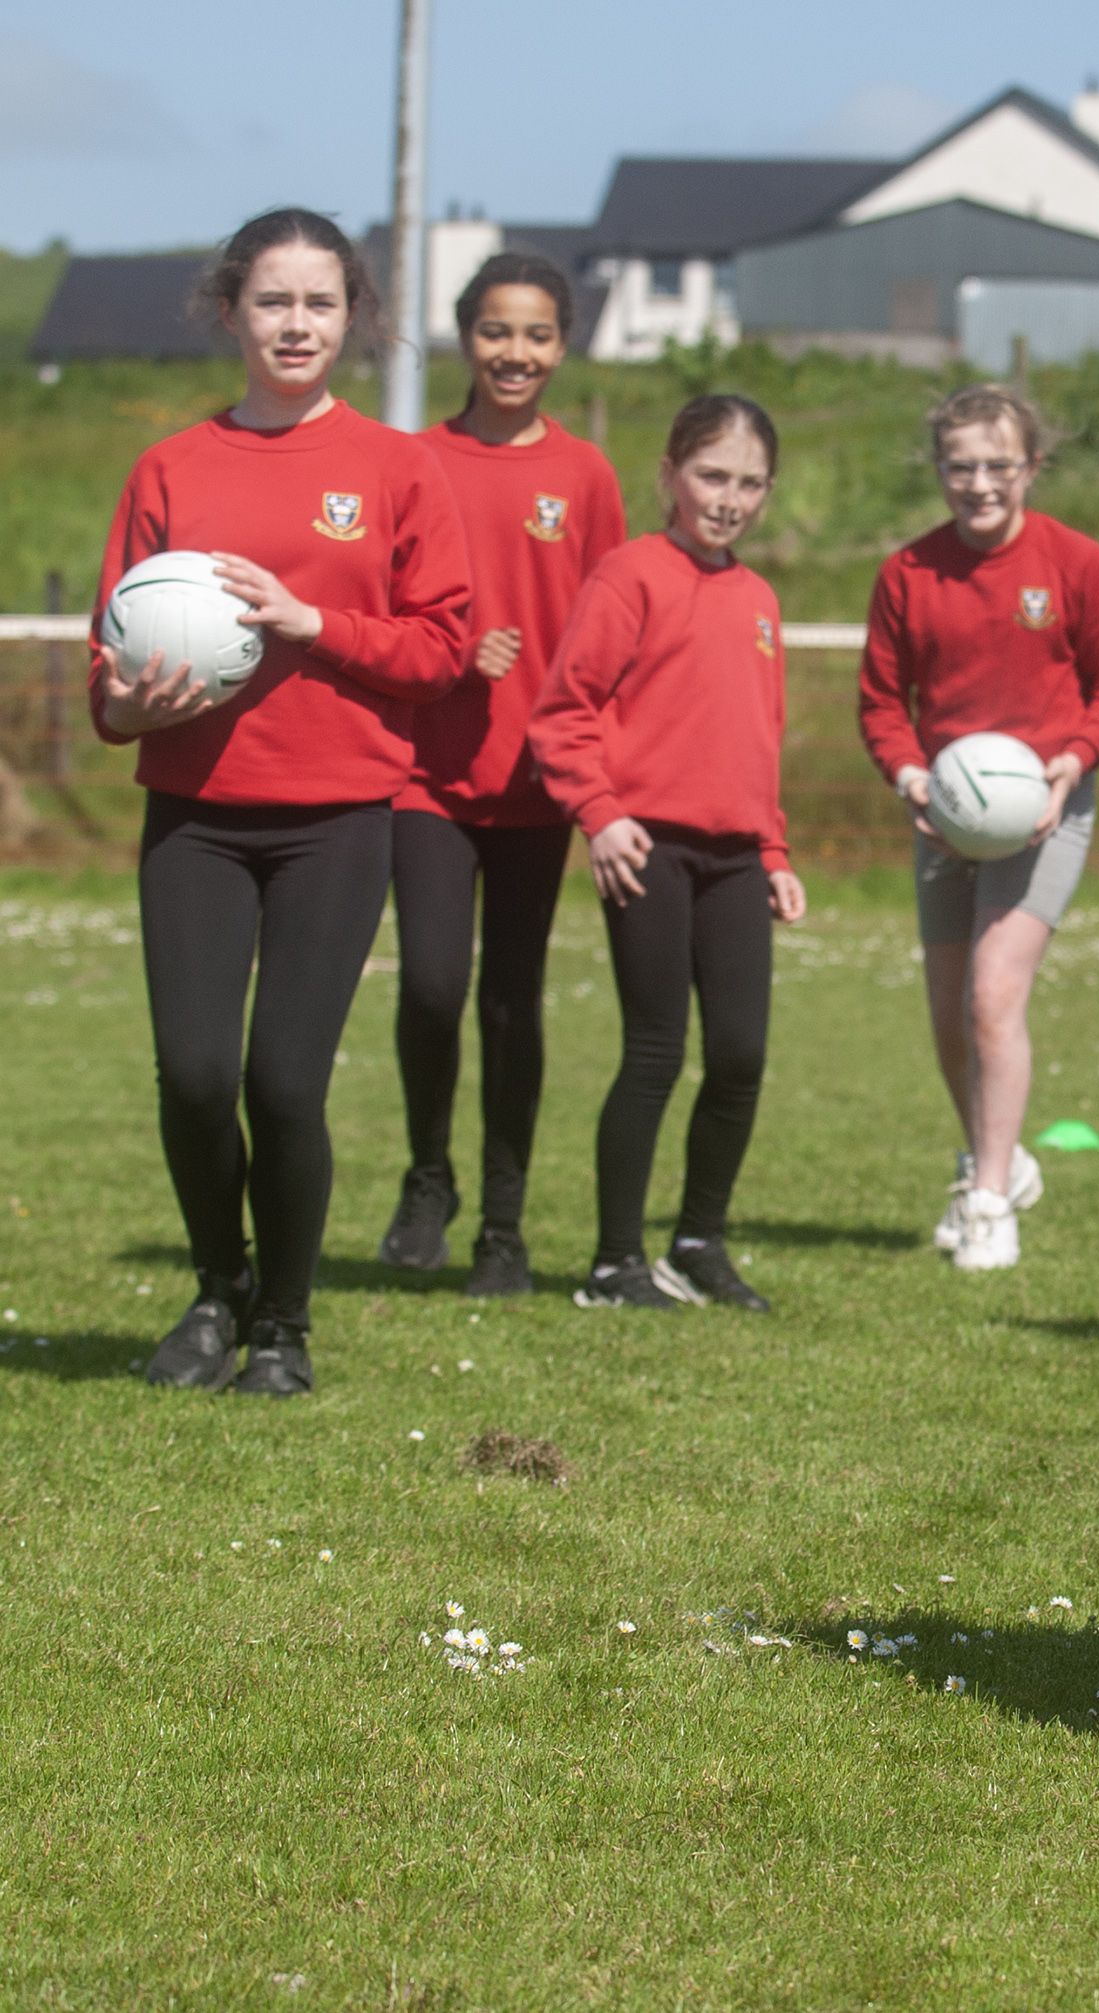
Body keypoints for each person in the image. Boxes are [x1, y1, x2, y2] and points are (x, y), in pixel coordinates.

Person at [89, 207, 470, 1396]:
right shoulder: (169, 468)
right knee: (197, 1076)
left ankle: (285, 1331)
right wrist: (131, 706)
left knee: (286, 1085)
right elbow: (106, 679)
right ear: (231, 312)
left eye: (319, 302)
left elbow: (443, 649)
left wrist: (315, 624)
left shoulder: (397, 468)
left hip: (336, 820)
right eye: (272, 301)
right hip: (195, 816)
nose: (295, 324)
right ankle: (219, 1291)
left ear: (352, 317)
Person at [381, 251, 627, 1295]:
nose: (513, 352)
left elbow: (614, 625)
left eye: (535, 334)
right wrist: (447, 653)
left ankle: (503, 1230)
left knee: (513, 1001)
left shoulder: (587, 476)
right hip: (422, 774)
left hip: (537, 783)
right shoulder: (410, 461)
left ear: (562, 346)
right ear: (463, 337)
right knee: (434, 985)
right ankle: (427, 1175)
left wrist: (602, 764)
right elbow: (377, 608)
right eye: (495, 330)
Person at [527, 395, 805, 1311]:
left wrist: (773, 848)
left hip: (735, 861)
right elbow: (562, 714)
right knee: (654, 1051)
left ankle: (696, 1244)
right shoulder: (629, 575)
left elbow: (759, 736)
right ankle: (614, 1263)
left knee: (740, 1057)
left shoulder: (759, 598)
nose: (729, 498)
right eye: (711, 475)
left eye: (750, 483)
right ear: (670, 475)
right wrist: (600, 814)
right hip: (646, 849)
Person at [858, 384, 1099, 1272]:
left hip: (1047, 811)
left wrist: (1072, 762)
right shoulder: (907, 574)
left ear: (1032, 465)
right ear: (939, 468)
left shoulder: (1074, 562)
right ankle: (1000, 1154)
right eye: (961, 466)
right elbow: (881, 703)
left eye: (998, 465)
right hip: (945, 817)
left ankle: (987, 1201)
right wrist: (911, 776)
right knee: (951, 1013)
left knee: (991, 994)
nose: (980, 483)